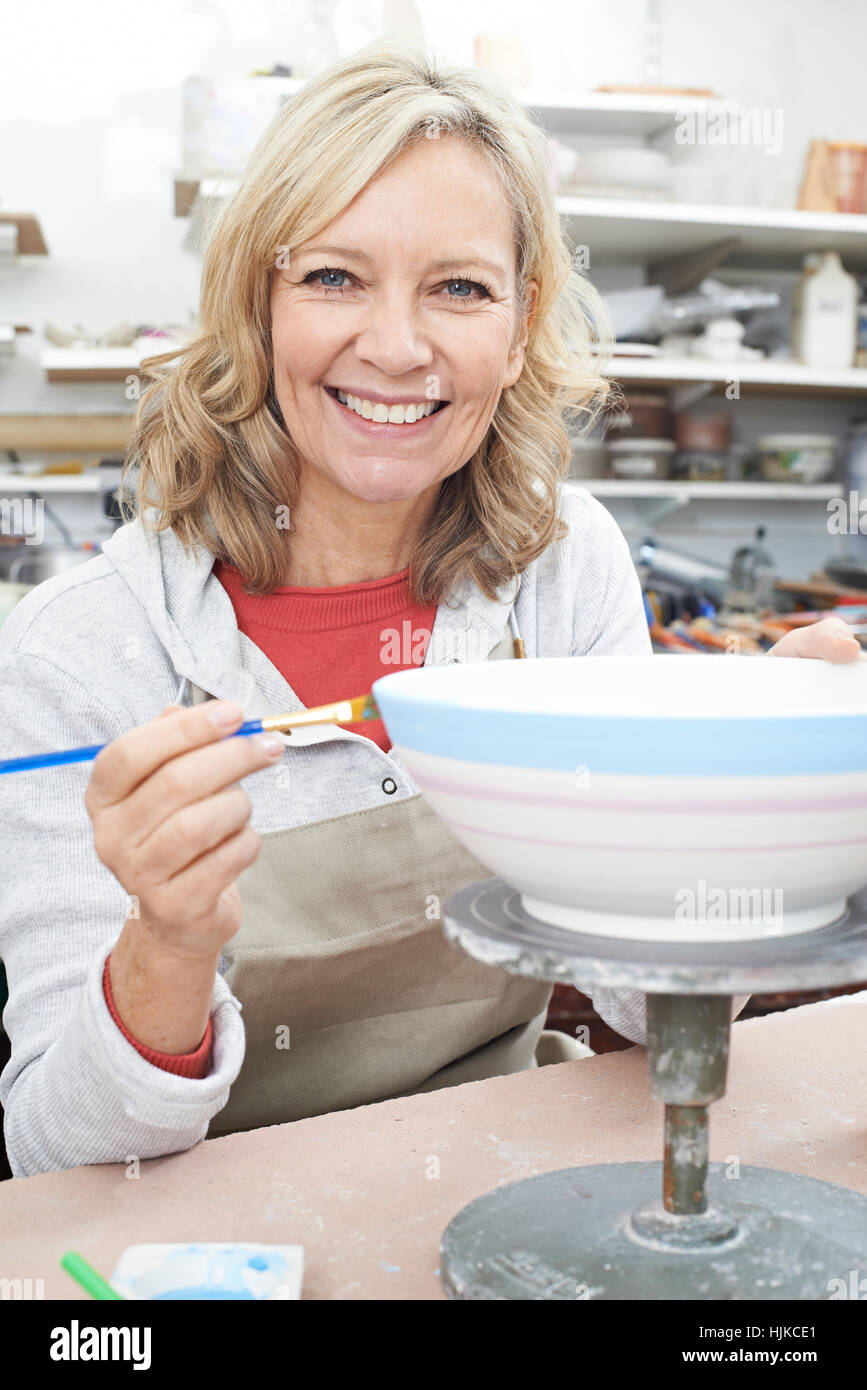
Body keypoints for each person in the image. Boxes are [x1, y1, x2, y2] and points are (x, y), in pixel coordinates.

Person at [0, 36, 858, 1178]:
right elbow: (54, 1154)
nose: (398, 348)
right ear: (257, 302)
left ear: (519, 321)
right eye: (333, 277)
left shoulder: (562, 568)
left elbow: (647, 1010)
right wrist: (168, 941)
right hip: (200, 1230)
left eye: (459, 287)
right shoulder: (83, 650)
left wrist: (750, 806)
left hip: (510, 1169)